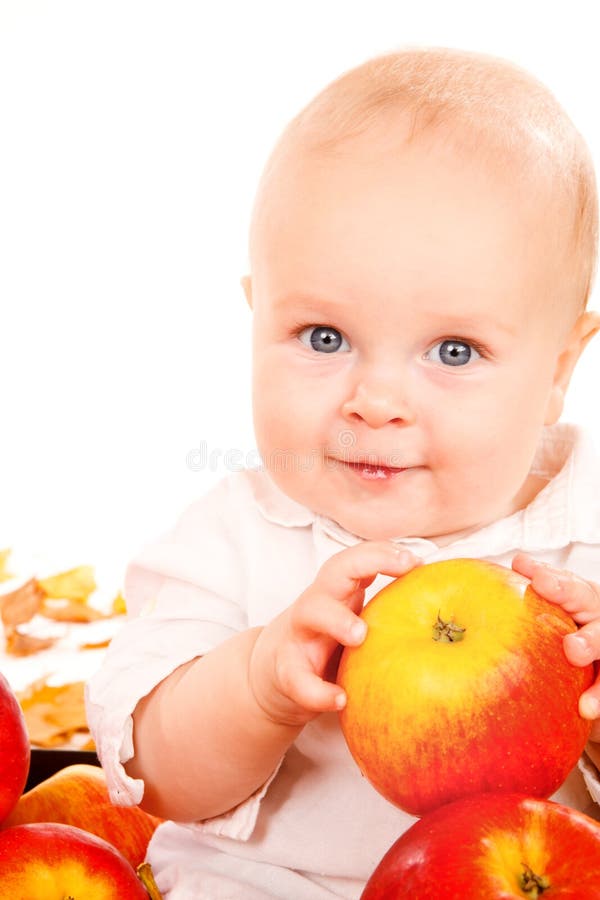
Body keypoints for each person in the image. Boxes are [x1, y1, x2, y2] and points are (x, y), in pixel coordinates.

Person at [86, 46, 600, 899]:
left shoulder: (583, 546)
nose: (376, 401)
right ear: (257, 320)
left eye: (454, 351)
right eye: (324, 338)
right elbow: (152, 772)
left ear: (555, 371)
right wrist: (257, 683)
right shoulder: (236, 538)